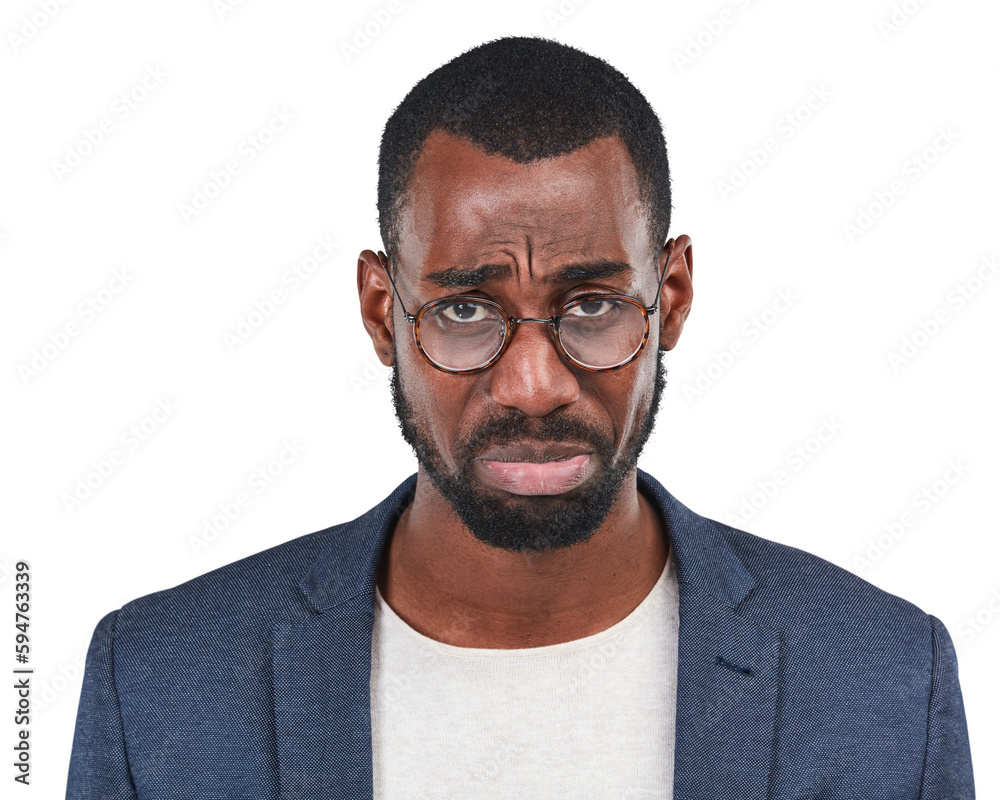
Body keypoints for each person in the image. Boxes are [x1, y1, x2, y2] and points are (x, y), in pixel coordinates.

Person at [65, 36, 974, 799]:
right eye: (464, 311)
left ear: (674, 296)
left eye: (590, 306)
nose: (534, 385)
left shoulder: (887, 682)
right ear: (384, 313)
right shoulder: (153, 686)